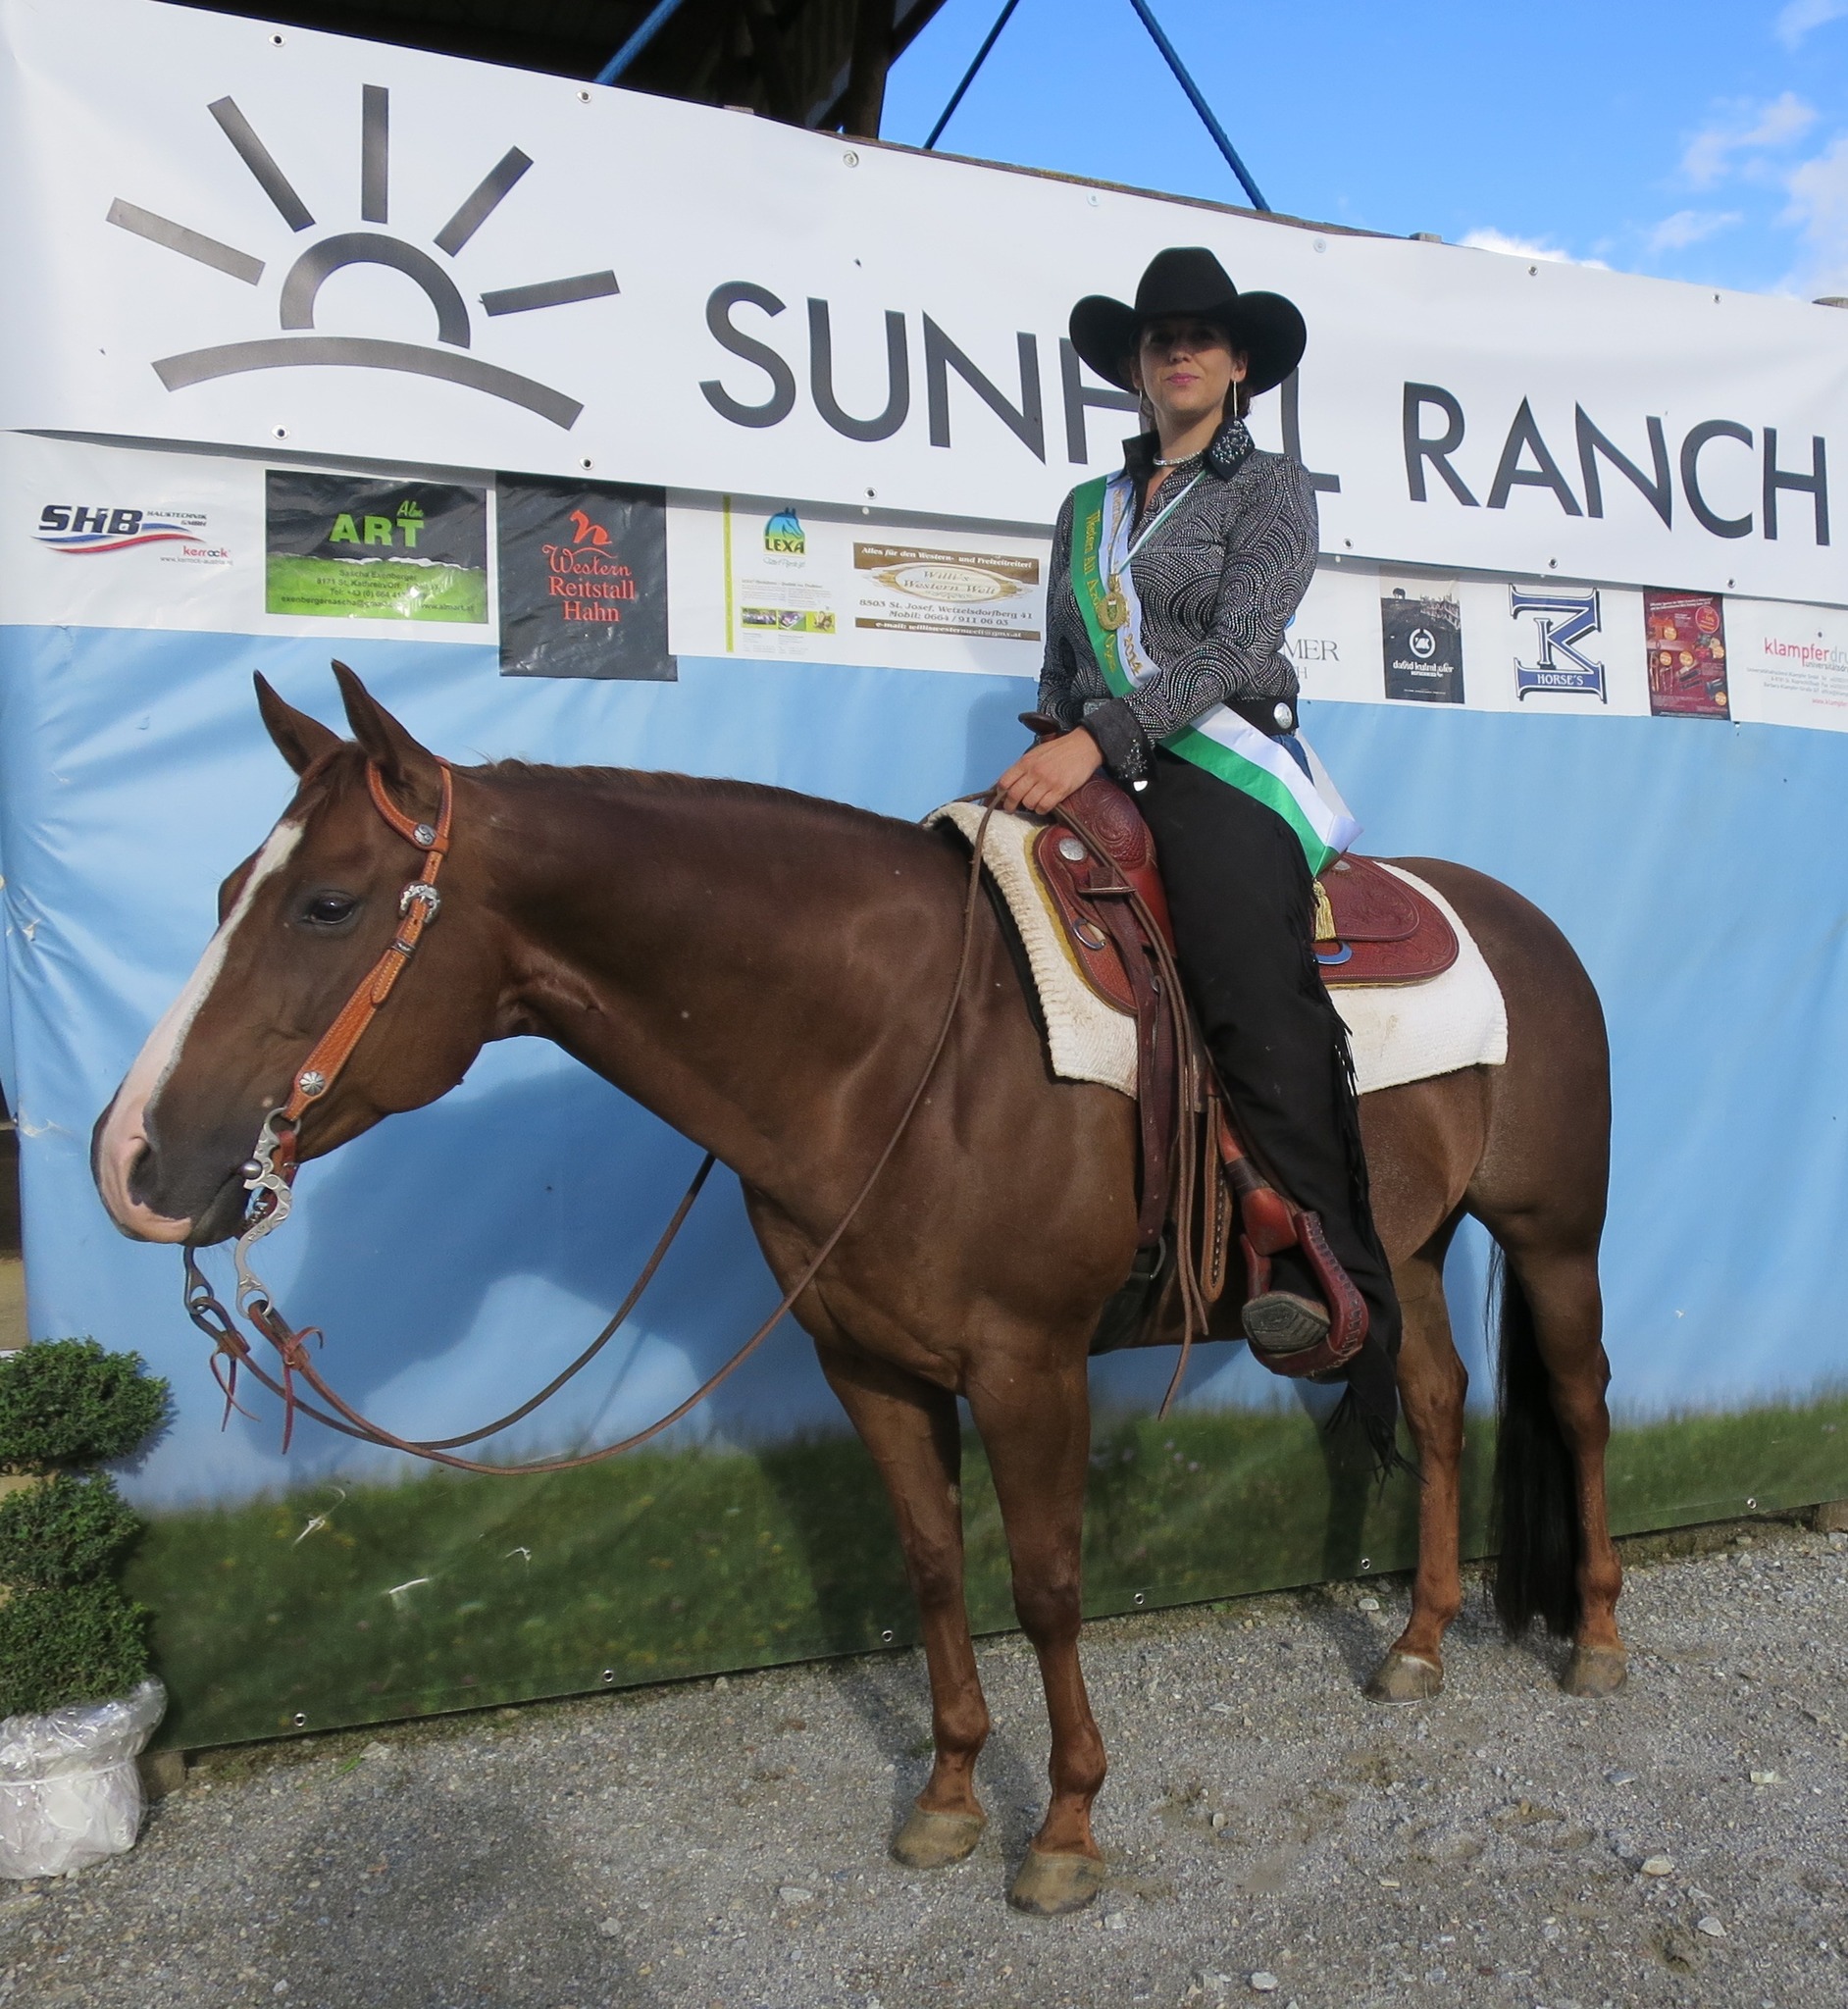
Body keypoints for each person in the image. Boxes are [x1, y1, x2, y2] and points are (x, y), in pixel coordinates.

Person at [995, 244, 1401, 1433]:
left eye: (1202, 337)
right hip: (1101, 755)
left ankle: (1331, 1276)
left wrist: (1102, 734)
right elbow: (1061, 667)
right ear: (1135, 363)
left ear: (1237, 368)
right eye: (1159, 335)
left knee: (1236, 965)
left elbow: (1237, 646)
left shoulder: (1270, 486)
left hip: (1224, 759)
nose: (1178, 350)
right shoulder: (1085, 510)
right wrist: (1058, 742)